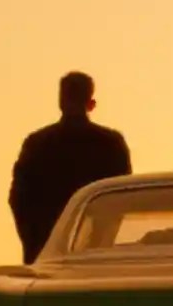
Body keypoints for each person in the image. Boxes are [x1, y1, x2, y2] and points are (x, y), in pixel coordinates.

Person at [9, 71, 132, 263]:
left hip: (45, 257)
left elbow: (18, 200)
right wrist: (99, 245)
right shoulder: (111, 144)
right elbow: (120, 199)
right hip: (94, 258)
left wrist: (35, 247)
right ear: (91, 104)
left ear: (60, 101)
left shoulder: (37, 143)